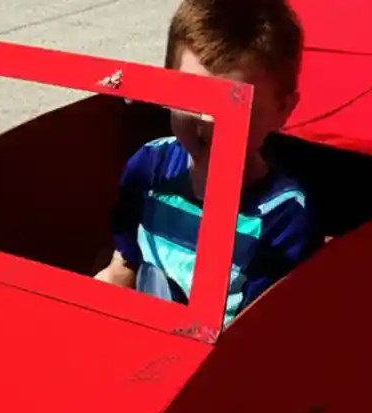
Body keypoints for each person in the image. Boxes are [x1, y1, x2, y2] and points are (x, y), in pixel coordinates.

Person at [94, 0, 320, 327]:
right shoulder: (148, 167)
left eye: (234, 106)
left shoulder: (284, 217)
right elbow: (124, 268)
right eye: (194, 98)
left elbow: (258, 339)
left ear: (282, 109)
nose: (207, 123)